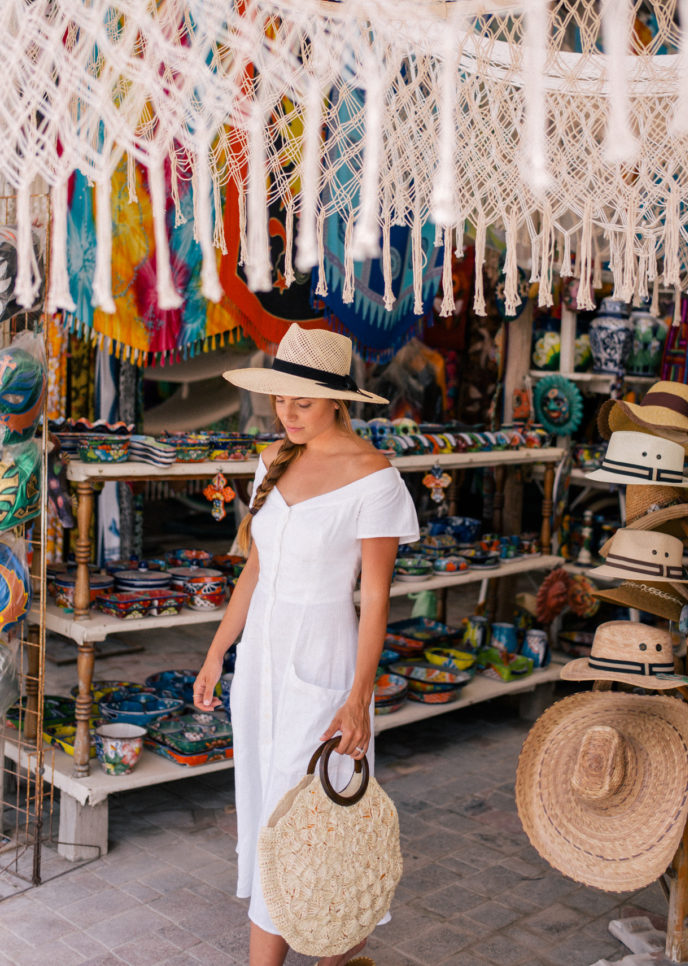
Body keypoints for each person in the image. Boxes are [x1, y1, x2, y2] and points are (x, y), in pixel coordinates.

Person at [193, 324, 420, 966]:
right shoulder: (272, 460)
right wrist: (217, 652)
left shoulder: (374, 478)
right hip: (261, 662)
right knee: (271, 815)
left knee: (321, 821)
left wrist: (358, 700)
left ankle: (335, 953)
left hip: (324, 658)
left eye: (304, 402)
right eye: (281, 400)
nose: (288, 414)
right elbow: (254, 569)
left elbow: (374, 598)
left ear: (338, 401)